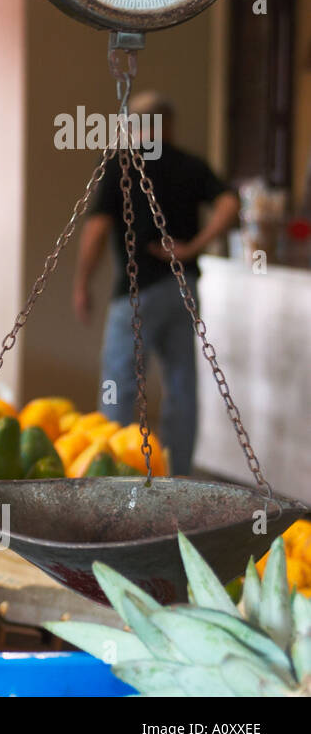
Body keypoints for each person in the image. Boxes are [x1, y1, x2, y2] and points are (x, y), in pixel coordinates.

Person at [73, 92, 239, 477]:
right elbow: (230, 203)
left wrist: (82, 283)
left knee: (120, 384)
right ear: (170, 124)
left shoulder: (121, 164)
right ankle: (178, 477)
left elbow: (96, 229)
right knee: (181, 386)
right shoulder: (191, 165)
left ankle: (110, 476)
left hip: (138, 293)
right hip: (183, 291)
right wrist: (195, 247)